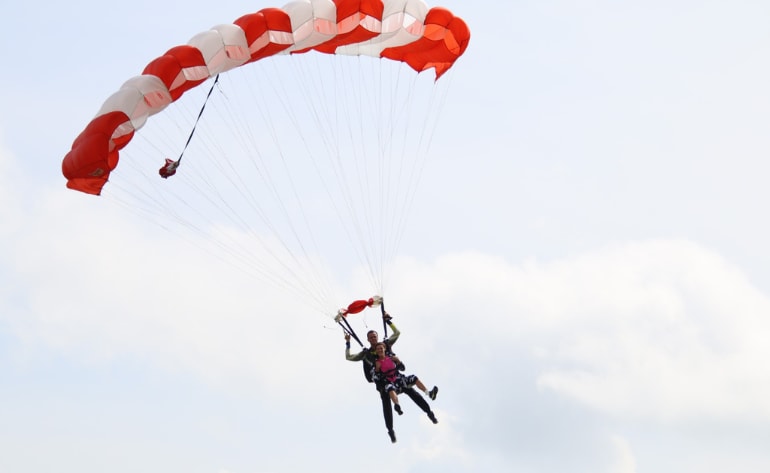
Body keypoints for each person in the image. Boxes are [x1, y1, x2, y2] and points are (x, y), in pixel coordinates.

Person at [344, 314, 438, 443]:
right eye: (371, 338)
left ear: (378, 338)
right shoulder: (366, 354)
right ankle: (391, 431)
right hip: (384, 383)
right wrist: (348, 343)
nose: (373, 339)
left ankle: (430, 413)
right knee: (387, 406)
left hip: (397, 377)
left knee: (413, 393)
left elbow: (397, 333)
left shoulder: (385, 345)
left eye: (375, 337)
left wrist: (388, 321)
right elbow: (349, 357)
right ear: (368, 339)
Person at [373, 342, 438, 416]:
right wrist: (377, 369)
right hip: (389, 381)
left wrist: (398, 361)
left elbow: (403, 368)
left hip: (400, 379)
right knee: (389, 387)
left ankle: (429, 393)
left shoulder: (391, 357)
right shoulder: (376, 363)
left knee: (414, 377)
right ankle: (397, 405)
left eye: (381, 348)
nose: (380, 350)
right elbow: (376, 379)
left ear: (384, 349)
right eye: (378, 349)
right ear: (376, 351)